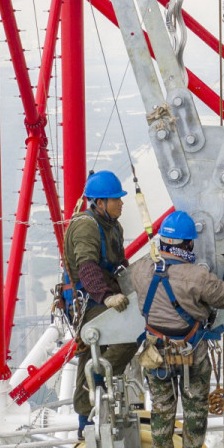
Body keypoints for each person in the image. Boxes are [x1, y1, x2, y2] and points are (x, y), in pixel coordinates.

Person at [124, 212, 224, 448]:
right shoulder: (197, 277)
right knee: (194, 408)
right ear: (189, 245)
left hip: (155, 352)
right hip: (191, 352)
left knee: (161, 408)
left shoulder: (143, 269)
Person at [62, 171, 139, 432]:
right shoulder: (86, 225)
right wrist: (107, 297)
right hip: (90, 300)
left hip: (104, 294)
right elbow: (87, 267)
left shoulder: (113, 226)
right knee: (128, 333)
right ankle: (97, 383)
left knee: (91, 352)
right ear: (99, 202)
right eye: (115, 199)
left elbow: (120, 265)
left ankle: (86, 418)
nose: (121, 203)